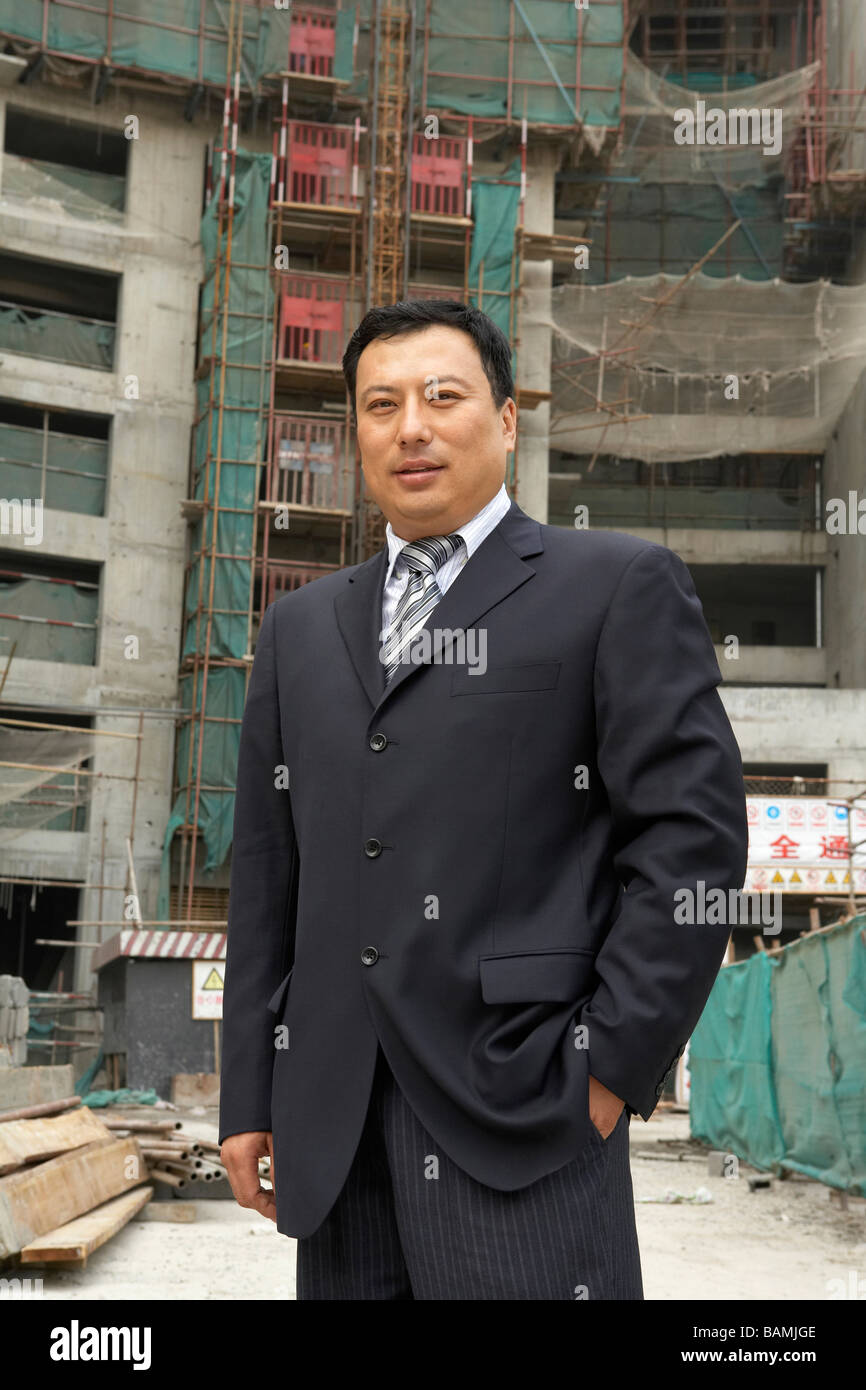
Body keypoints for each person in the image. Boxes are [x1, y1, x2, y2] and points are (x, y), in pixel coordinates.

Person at [219, 300, 749, 1300]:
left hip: (523, 1110)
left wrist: (608, 1069)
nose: (409, 426)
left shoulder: (612, 586)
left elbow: (692, 846)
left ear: (505, 420)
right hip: (334, 1125)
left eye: (441, 396)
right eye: (380, 405)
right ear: (358, 435)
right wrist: (250, 1089)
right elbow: (266, 873)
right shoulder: (297, 629)